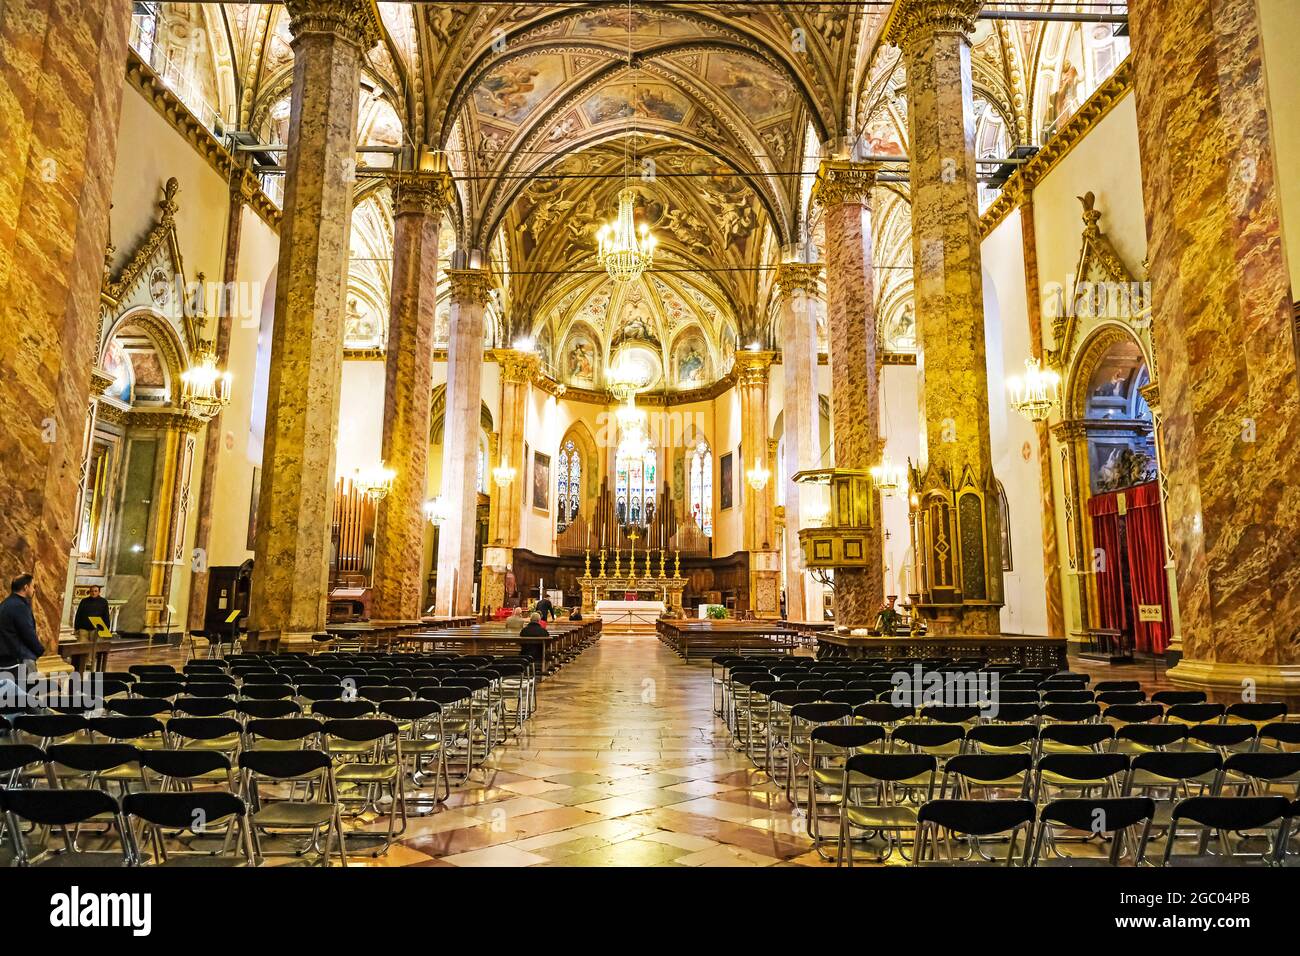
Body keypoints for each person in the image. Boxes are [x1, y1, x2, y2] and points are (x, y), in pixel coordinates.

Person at [0, 574, 44, 671]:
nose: (34, 590)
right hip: (20, 659)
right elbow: (28, 633)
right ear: (26, 587)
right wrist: (40, 650)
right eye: (33, 586)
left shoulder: (5, 603)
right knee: (28, 686)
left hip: (6, 659)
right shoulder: (19, 606)